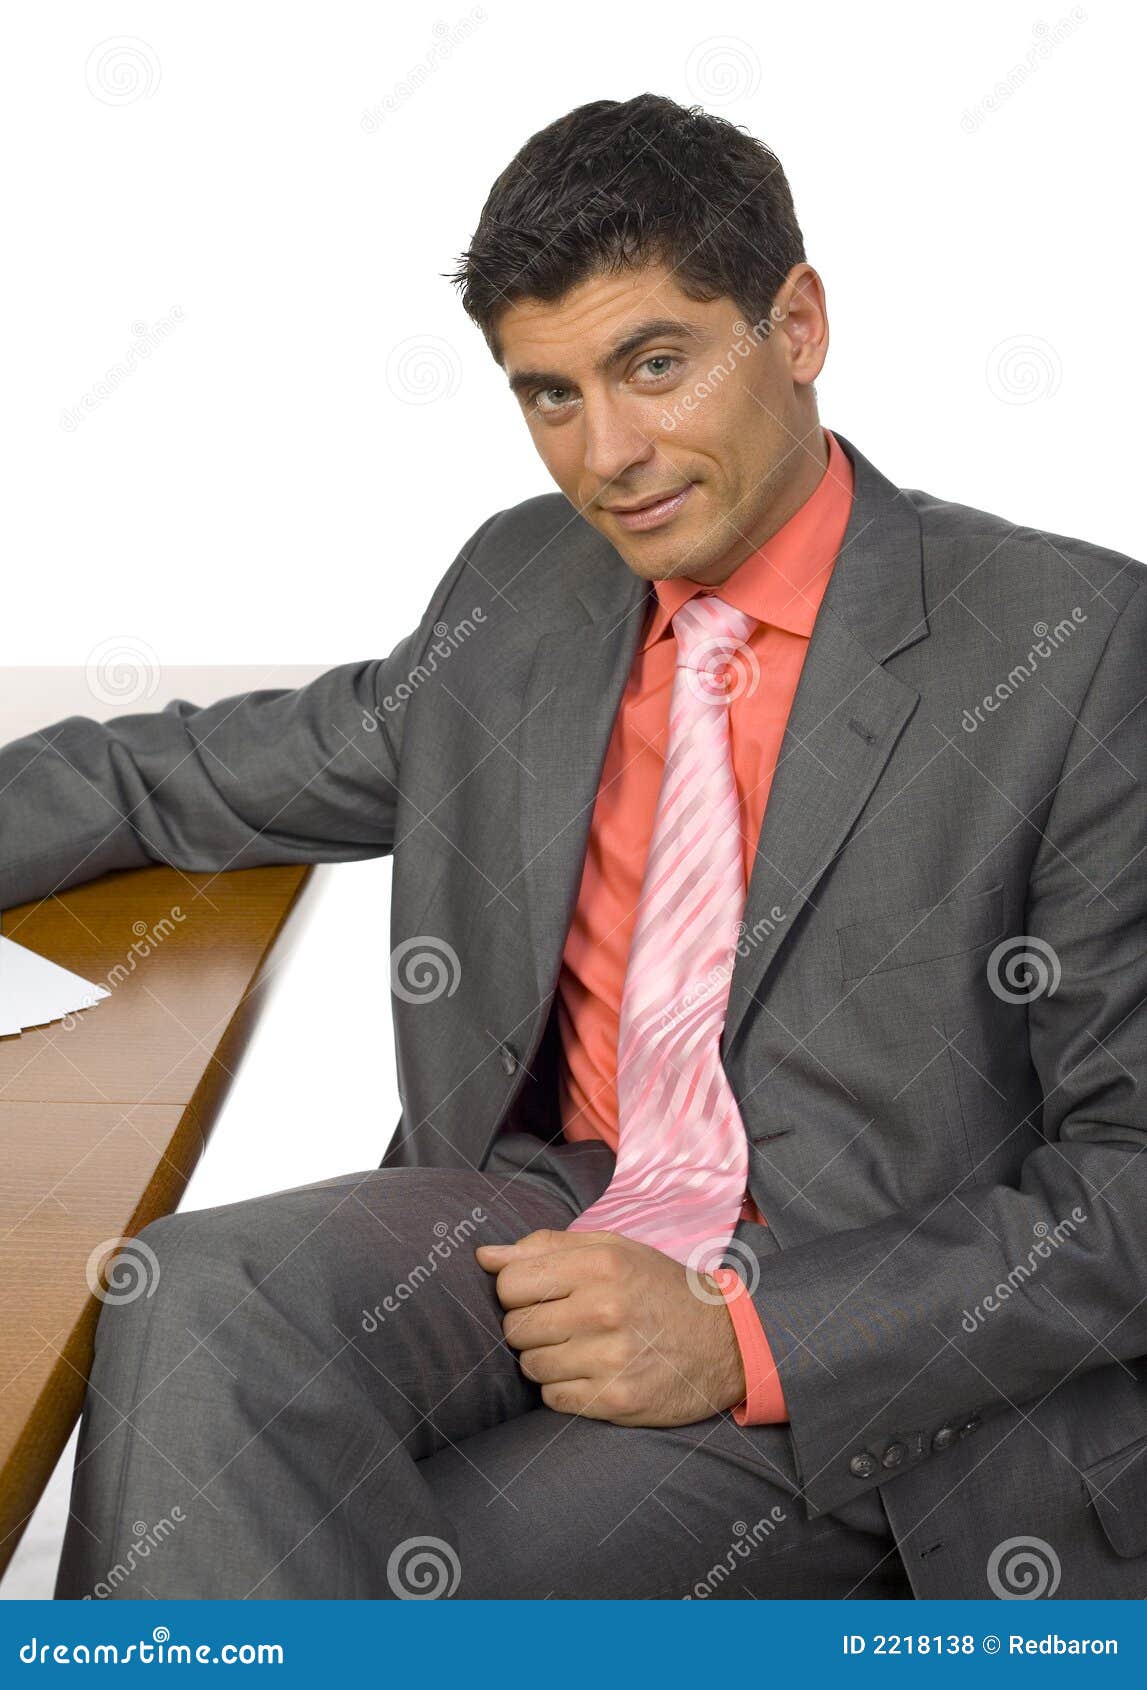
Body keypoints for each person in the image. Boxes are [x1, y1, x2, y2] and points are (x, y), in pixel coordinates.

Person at [2, 92, 1143, 1600]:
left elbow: (1128, 1178)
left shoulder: (1072, 648)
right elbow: (193, 779)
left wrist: (740, 1333)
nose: (607, 454)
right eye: (549, 395)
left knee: (343, 1562)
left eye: (653, 365)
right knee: (194, 1294)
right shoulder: (526, 584)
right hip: (546, 1210)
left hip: (864, 1352)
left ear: (795, 324)